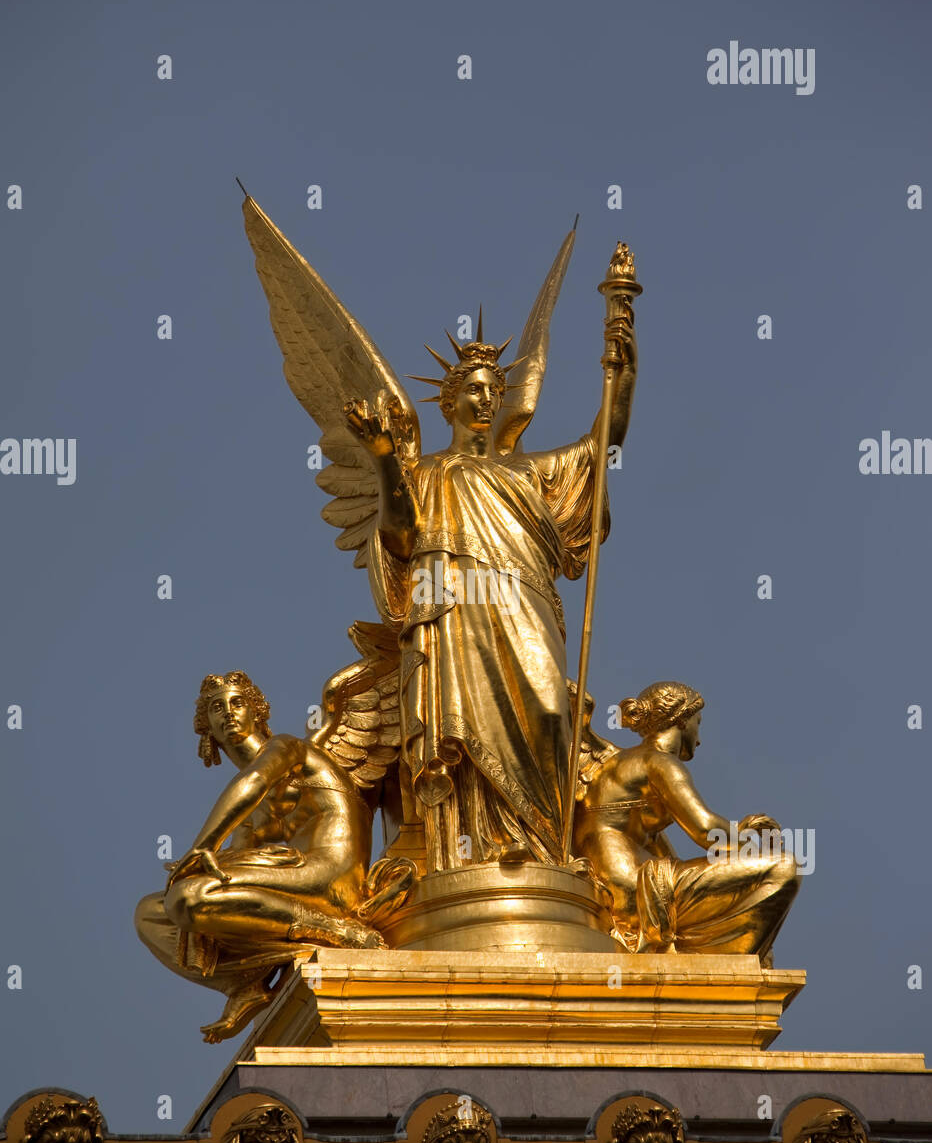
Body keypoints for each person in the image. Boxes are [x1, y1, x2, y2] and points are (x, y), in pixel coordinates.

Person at [344, 322, 636, 875]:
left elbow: (605, 441)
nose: (484, 399)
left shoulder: (530, 472)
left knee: (550, 716)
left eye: (493, 390)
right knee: (460, 727)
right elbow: (402, 537)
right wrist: (385, 458)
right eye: (472, 389)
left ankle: (549, 852)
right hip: (455, 613)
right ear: (449, 403)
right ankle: (473, 856)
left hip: (526, 606)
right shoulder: (426, 472)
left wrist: (623, 366)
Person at [135, 670, 382, 1042]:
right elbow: (232, 901)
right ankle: (242, 982)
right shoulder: (248, 818)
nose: (228, 713)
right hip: (290, 879)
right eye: (216, 708)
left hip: (331, 872)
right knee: (156, 912)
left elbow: (253, 783)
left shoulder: (288, 748)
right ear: (207, 728)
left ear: (258, 712)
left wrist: (204, 845)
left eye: (238, 703)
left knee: (190, 895)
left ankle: (336, 931)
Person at [573, 680, 799, 957]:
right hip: (637, 891)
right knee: (784, 868)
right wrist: (745, 836)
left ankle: (716, 954)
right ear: (681, 720)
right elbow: (704, 831)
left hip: (612, 885)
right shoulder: (659, 762)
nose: (699, 738)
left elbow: (660, 848)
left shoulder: (616, 762)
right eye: (698, 723)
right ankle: (720, 957)